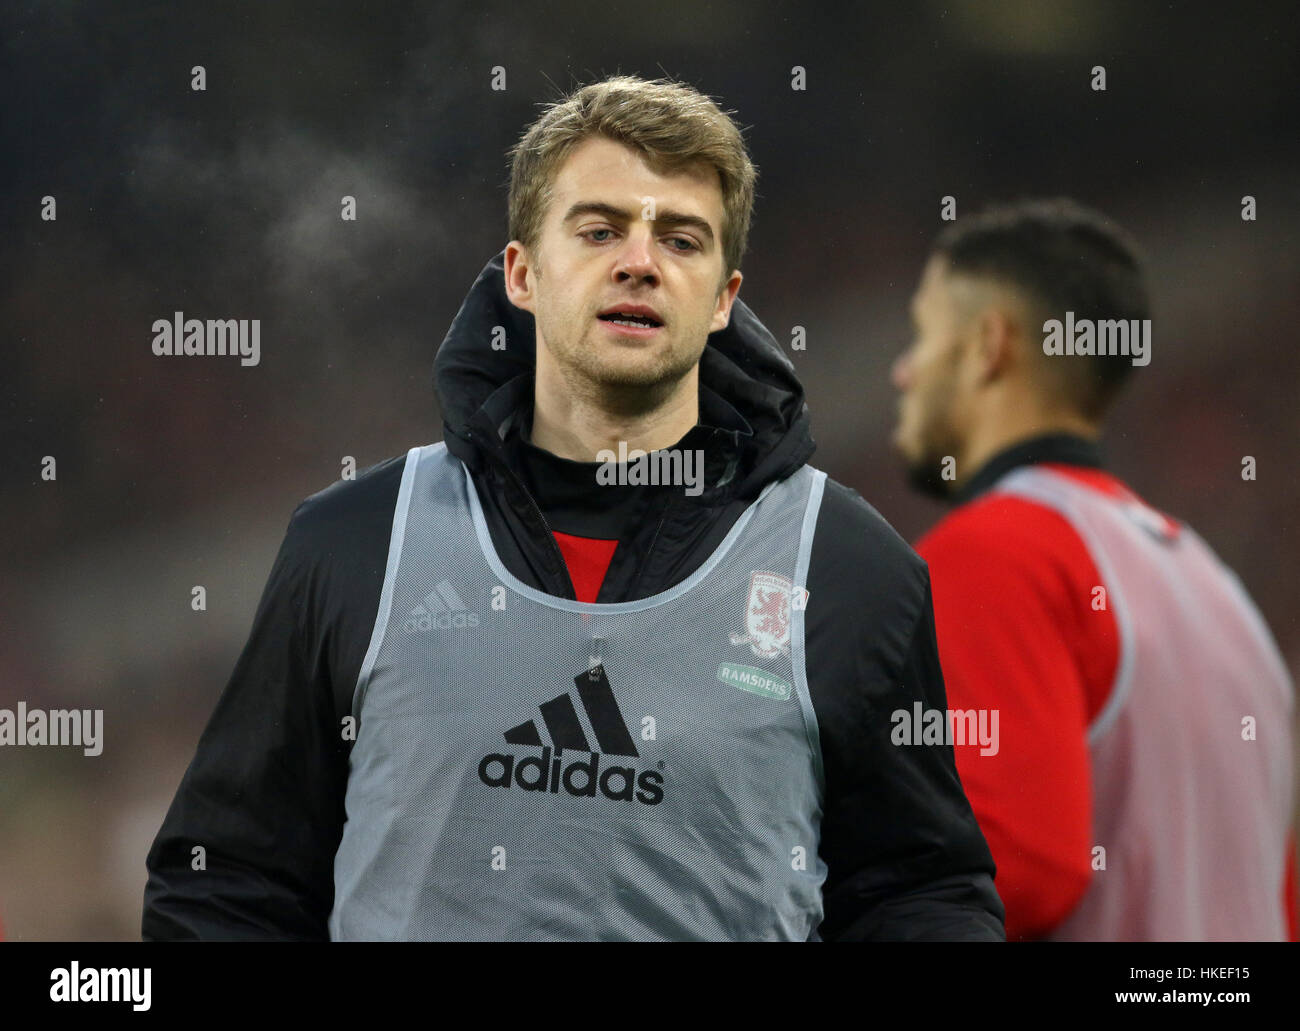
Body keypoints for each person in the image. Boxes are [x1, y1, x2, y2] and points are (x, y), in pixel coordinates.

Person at [143, 75, 1004, 941]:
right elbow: (226, 885)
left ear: (723, 298)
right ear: (522, 272)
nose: (639, 259)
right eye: (599, 230)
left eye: (681, 238)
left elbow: (922, 895)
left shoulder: (850, 568)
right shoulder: (354, 541)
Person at [890, 197, 1296, 941]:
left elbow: (1016, 864)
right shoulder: (1222, 591)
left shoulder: (992, 553)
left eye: (923, 335)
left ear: (989, 346)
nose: (903, 371)